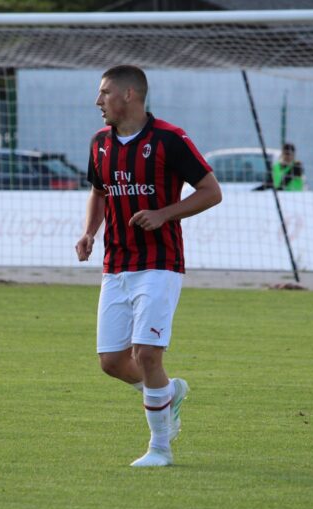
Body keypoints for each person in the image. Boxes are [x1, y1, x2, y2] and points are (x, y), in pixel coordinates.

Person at [75, 65, 222, 467]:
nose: (97, 101)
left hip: (160, 263)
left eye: (104, 92)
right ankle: (167, 392)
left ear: (128, 95)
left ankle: (160, 449)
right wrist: (89, 232)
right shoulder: (99, 143)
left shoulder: (169, 140)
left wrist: (165, 214)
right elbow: (99, 192)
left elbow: (211, 192)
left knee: (147, 353)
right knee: (111, 362)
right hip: (116, 264)